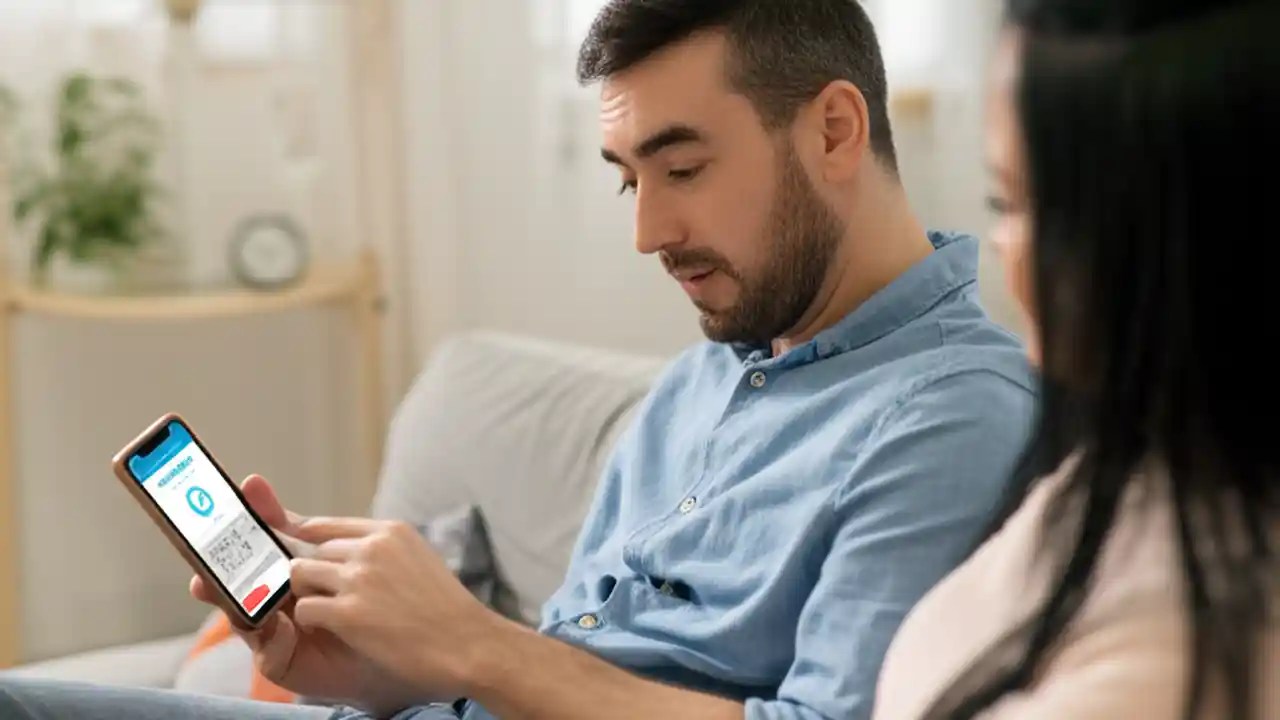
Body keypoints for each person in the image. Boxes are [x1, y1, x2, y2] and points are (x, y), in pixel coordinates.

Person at [0, 2, 1033, 719]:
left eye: (683, 167)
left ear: (835, 130)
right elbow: (565, 677)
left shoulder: (951, 412)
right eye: (632, 181)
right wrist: (381, 670)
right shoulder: (702, 377)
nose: (650, 232)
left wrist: (471, 642)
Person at [872, 0, 1280, 718]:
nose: (1001, 245)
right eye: (1000, 202)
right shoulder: (1118, 473)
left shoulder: (1186, 654)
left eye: (1020, 205)